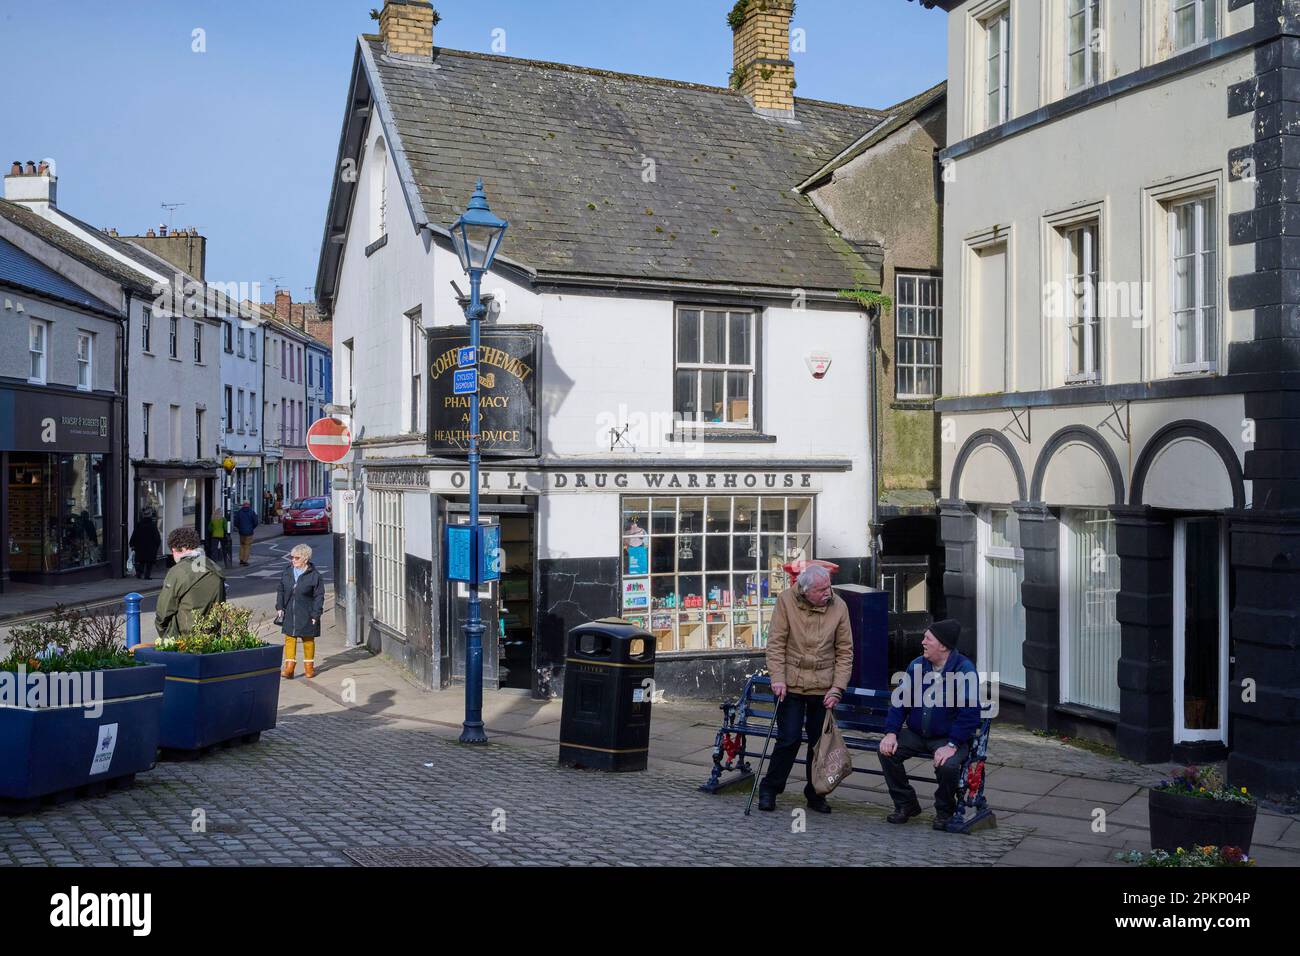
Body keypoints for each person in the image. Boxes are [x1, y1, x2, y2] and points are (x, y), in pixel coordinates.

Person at [757, 564, 853, 813]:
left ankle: (815, 793)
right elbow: (776, 643)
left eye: (828, 587)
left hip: (823, 687)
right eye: (821, 590)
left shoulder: (839, 606)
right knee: (788, 739)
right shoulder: (786, 601)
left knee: (819, 744)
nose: (827, 593)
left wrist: (837, 688)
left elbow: (845, 652)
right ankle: (770, 789)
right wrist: (777, 678)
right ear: (805, 590)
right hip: (791, 684)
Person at [878, 619, 981, 831]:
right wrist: (890, 733)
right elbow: (900, 703)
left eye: (928, 638)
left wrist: (952, 745)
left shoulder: (964, 669)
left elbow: (970, 714)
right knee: (886, 752)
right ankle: (906, 804)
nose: (922, 642)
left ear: (942, 645)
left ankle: (945, 811)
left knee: (948, 766)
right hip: (917, 734)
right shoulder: (917, 665)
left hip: (948, 738)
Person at [154, 526, 226, 639]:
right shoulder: (214, 568)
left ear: (179, 549)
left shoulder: (178, 571)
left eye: (173, 551)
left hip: (185, 638)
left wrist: (166, 635)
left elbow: (164, 611)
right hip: (212, 636)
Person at [277, 543, 325, 679]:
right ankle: (289, 668)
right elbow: (280, 589)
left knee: (308, 639)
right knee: (289, 638)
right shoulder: (287, 571)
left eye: (296, 558)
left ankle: (309, 668)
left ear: (305, 559)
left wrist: (316, 614)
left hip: (307, 612)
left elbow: (319, 596)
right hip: (289, 612)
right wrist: (279, 607)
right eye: (292, 557)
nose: (293, 560)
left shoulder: (315, 576)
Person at [128, 511, 161, 580]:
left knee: (141, 561)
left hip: (140, 547)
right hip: (151, 547)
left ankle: (139, 574)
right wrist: (157, 545)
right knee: (149, 563)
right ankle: (147, 576)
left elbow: (135, 535)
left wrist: (132, 544)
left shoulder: (139, 524)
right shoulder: (152, 525)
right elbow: (157, 537)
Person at [232, 499, 259, 565]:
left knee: (242, 545)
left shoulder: (239, 512)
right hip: (249, 532)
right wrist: (252, 528)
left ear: (243, 505)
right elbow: (256, 522)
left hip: (241, 532)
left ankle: (241, 559)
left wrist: (239, 528)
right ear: (249, 505)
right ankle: (245, 560)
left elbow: (235, 522)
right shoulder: (252, 512)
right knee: (247, 546)